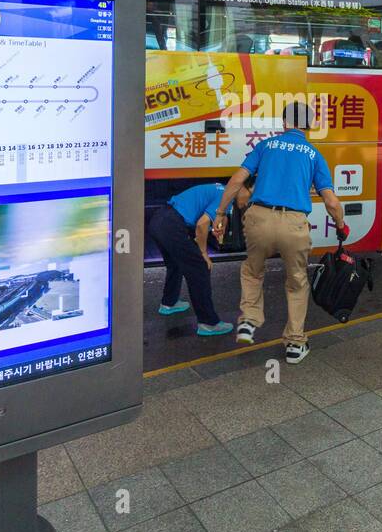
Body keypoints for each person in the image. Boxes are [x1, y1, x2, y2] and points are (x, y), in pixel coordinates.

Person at [212, 101, 347, 364]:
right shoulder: (314, 154)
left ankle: (249, 322)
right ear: (307, 125)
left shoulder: (265, 146)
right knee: (297, 281)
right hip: (294, 224)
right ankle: (295, 344)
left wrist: (220, 213)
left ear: (284, 123)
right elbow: (331, 202)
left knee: (252, 271)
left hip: (259, 219)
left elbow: (237, 180)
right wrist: (341, 226)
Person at [148, 179, 252, 336]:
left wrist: (220, 223)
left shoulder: (221, 189)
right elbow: (202, 225)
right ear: (245, 187)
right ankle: (208, 323)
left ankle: (169, 303)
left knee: (175, 264)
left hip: (160, 219)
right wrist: (204, 253)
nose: (249, 203)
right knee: (200, 268)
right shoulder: (226, 196)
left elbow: (206, 218)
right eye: (252, 196)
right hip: (172, 224)